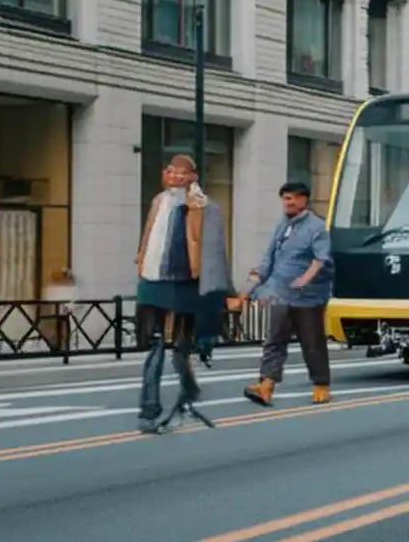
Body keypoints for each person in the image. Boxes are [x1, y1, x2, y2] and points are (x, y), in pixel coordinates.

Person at [133, 155, 230, 433]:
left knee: (181, 348)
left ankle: (188, 389)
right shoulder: (158, 202)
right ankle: (149, 409)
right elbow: (148, 238)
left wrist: (216, 296)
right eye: (170, 171)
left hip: (187, 285)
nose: (174, 177)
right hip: (154, 283)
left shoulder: (206, 208)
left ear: (193, 177)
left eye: (181, 173)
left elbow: (214, 254)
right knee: (157, 346)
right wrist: (141, 265)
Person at [243, 181, 335, 406]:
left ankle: (321, 385)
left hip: (308, 297)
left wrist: (305, 279)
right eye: (285, 198)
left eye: (292, 198)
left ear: (304, 199)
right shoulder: (282, 225)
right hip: (281, 294)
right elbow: (269, 257)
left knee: (312, 342)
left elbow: (322, 259)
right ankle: (266, 385)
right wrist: (252, 288)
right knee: (274, 340)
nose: (287, 203)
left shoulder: (317, 227)